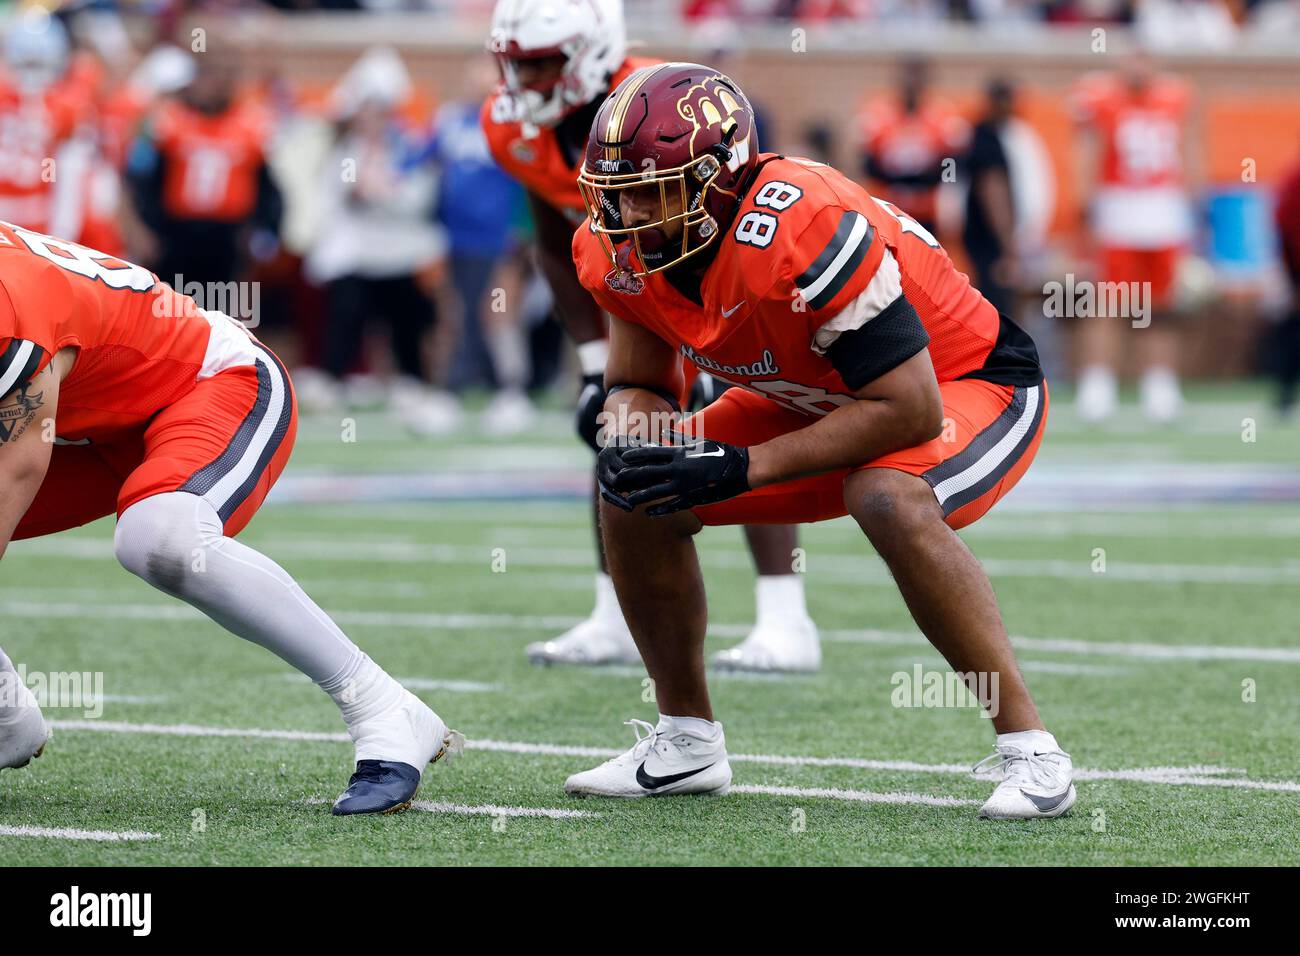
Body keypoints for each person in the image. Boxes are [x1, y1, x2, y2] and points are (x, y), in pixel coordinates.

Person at [567, 63, 1073, 820]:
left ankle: (1033, 752)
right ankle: (686, 741)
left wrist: (743, 466)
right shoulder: (622, 248)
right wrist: (631, 430)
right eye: (616, 191)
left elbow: (905, 409)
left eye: (651, 189)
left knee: (885, 494)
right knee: (634, 486)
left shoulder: (802, 224)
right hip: (811, 391)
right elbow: (641, 379)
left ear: (718, 179)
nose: (627, 212)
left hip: (966, 382)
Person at [0, 219, 460, 815]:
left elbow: (16, 465)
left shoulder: (12, 301)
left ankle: (381, 705)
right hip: (95, 420)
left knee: (159, 537)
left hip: (212, 382)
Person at [481, 0, 820, 671]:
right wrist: (591, 359)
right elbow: (556, 238)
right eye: (515, 64)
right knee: (621, 424)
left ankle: (787, 619)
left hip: (716, 272)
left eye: (542, 63)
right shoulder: (510, 126)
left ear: (592, 52)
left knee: (741, 417)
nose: (523, 81)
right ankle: (614, 614)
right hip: (634, 288)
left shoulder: (667, 103)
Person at [1072, 55, 1194, 424]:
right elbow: (1088, 152)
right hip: (1119, 205)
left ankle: (1159, 383)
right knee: (1108, 301)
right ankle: (1097, 383)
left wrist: (1192, 201)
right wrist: (1087, 203)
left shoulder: (1177, 96)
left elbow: (1189, 149)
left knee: (1161, 304)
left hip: (1163, 206)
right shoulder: (1102, 98)